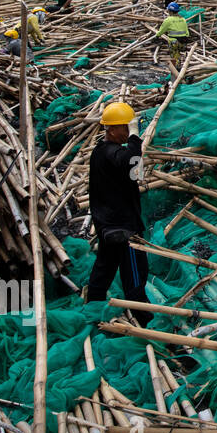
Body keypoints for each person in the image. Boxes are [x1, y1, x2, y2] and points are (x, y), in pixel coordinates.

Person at [83, 101, 152, 325]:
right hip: (123, 228)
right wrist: (135, 138)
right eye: (124, 127)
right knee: (134, 275)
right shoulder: (112, 153)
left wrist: (133, 146)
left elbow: (135, 173)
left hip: (107, 224)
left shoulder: (101, 152)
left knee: (104, 267)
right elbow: (128, 160)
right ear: (111, 129)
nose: (127, 132)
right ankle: (144, 319)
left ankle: (92, 306)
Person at [156, 1, 190, 65]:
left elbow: (162, 30)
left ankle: (176, 69)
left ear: (170, 11)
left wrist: (157, 36)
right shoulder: (183, 19)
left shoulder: (168, 20)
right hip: (183, 42)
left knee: (175, 56)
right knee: (179, 54)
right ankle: (181, 66)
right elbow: (187, 32)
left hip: (174, 42)